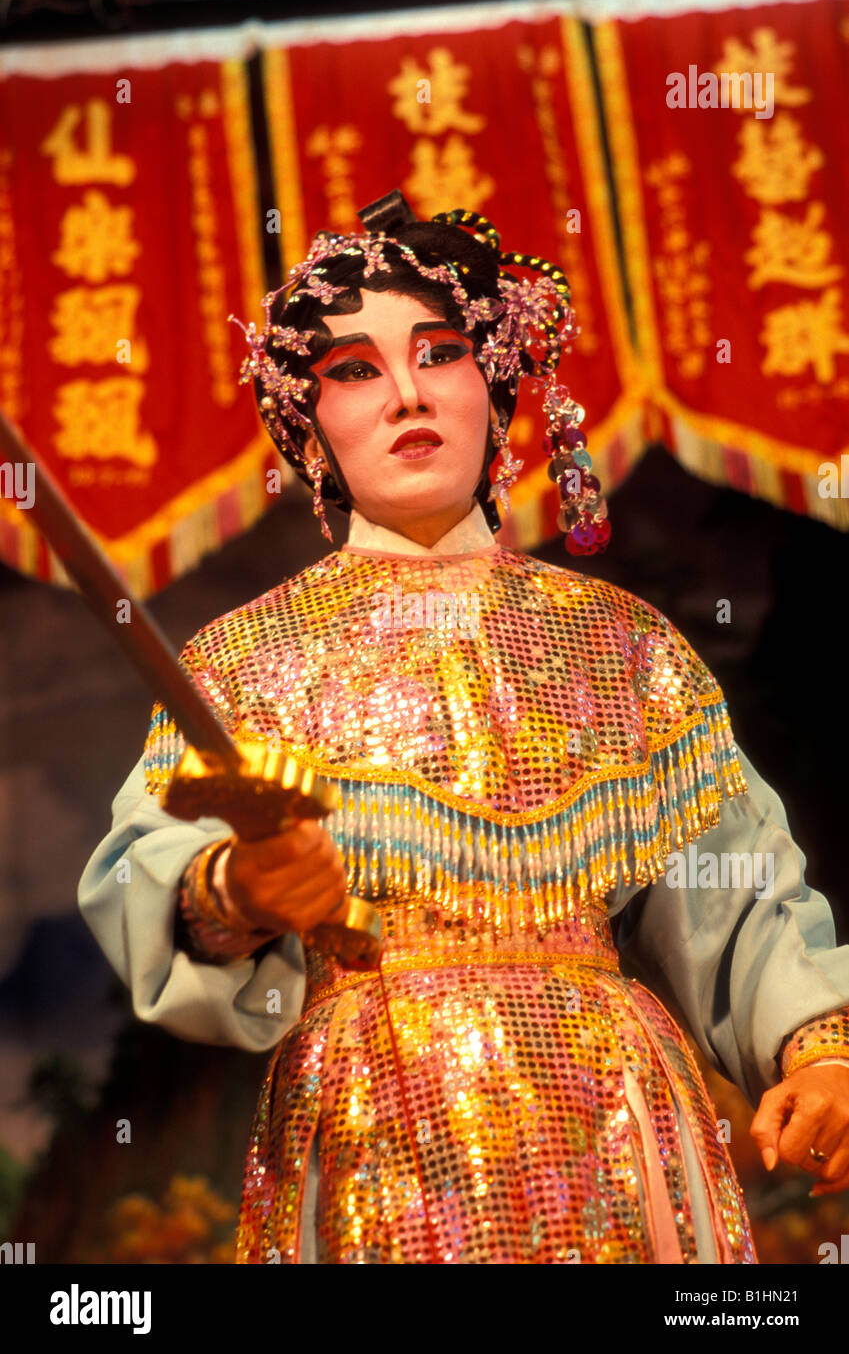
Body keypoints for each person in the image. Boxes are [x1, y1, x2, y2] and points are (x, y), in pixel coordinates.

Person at [78, 190, 849, 1265]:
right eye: (352, 370)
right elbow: (148, 868)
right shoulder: (244, 661)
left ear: (492, 380)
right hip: (371, 1127)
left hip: (616, 1135)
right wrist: (238, 893)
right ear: (310, 422)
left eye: (438, 353)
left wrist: (820, 1052)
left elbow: (739, 888)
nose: (404, 395)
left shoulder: (623, 645)